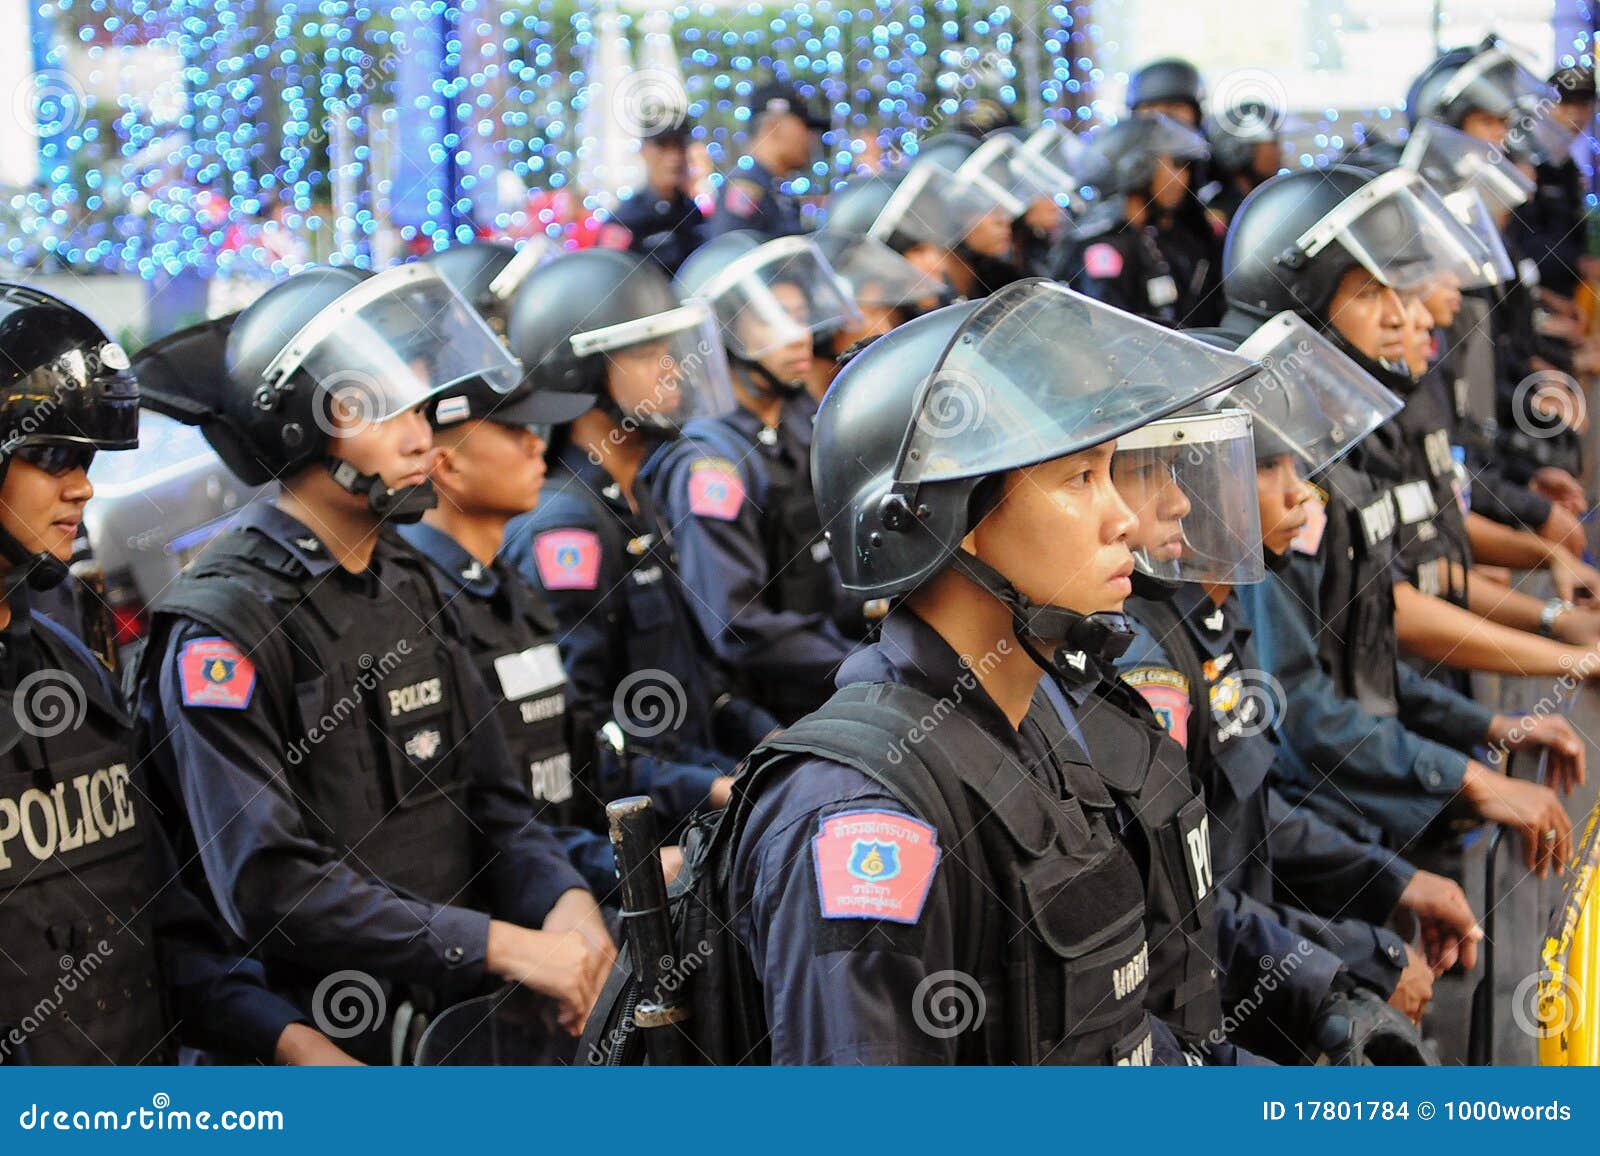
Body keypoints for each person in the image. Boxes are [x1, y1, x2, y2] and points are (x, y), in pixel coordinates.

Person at [710, 279, 1267, 1064]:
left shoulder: (1038, 721)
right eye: (1081, 478)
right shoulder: (861, 813)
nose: (1123, 516)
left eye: (1112, 474)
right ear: (954, 516)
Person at [130, 264, 611, 1063]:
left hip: (455, 1033)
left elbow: (497, 805)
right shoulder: (223, 628)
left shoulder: (415, 583)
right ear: (298, 423)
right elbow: (269, 886)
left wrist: (564, 905)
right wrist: (506, 946)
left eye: (422, 406)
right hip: (316, 1050)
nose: (422, 436)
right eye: (385, 410)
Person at [0, 283, 353, 1066]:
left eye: (86, 460)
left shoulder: (70, 676)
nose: (82, 486)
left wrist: (291, 1040)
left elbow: (166, 932)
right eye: (51, 456)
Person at [1115, 315, 1484, 1057]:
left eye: (1301, 470)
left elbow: (1246, 820)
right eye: (1267, 469)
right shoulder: (1152, 662)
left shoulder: (1218, 620)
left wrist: (1390, 883)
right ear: (1192, 481)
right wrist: (1350, 963)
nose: (1302, 499)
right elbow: (1186, 903)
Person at [1221, 167, 1579, 863]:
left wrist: (1489, 725)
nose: (1406, 316)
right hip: (1308, 852)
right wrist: (1464, 778)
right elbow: (1302, 709)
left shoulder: (1336, 450)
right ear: (1301, 304)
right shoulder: (1256, 470)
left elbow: (1367, 648)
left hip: (1359, 824)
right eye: (1372, 292)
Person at [499, 249, 775, 826]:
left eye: (670, 352)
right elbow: (581, 742)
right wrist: (717, 789)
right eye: (649, 356)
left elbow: (696, 688)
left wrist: (773, 745)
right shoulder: (566, 532)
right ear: (581, 377)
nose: (672, 373)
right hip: (646, 833)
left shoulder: (637, 496)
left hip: (692, 787)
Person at [396, 373, 624, 894]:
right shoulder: (419, 610)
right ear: (445, 465)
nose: (536, 442)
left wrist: (709, 786)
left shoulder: (508, 584)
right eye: (512, 429)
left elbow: (583, 757)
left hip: (566, 870)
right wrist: (616, 864)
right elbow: (471, 827)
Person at [654, 231, 865, 722]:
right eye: (770, 320)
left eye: (797, 316)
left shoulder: (804, 421)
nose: (797, 336)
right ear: (720, 334)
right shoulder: (710, 463)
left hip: (842, 670)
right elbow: (738, 626)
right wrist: (862, 665)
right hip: (784, 707)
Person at [1065, 115, 1218, 327]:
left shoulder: (1156, 237)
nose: (1182, 178)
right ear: (1137, 166)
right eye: (1174, 165)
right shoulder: (1106, 247)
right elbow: (1109, 333)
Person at [708, 81, 828, 240]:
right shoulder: (747, 188)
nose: (811, 138)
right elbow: (731, 255)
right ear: (774, 126)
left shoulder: (772, 186)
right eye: (805, 127)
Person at [611, 121, 709, 275]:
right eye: (662, 146)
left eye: (679, 146)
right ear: (644, 151)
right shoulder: (626, 220)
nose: (674, 158)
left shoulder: (691, 212)